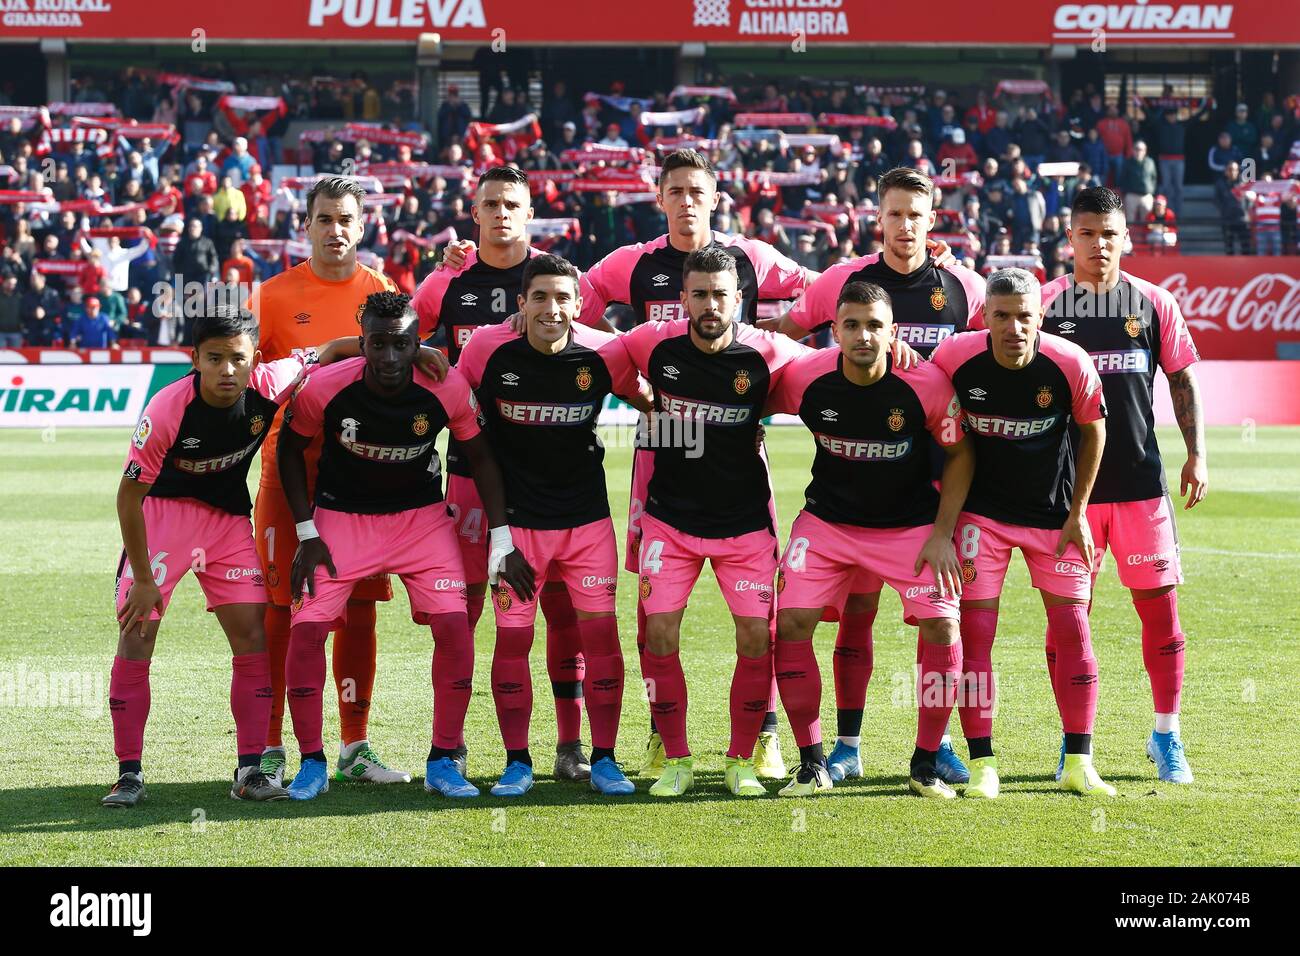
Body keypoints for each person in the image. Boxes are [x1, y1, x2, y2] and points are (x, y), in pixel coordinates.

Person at [765, 166, 984, 785]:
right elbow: (776, 342)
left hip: (929, 488)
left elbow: (990, 356)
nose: (905, 225)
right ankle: (841, 747)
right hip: (840, 502)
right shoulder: (842, 283)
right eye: (894, 214)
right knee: (853, 613)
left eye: (916, 215)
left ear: (932, 218)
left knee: (943, 622)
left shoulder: (963, 287)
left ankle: (931, 751)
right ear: (877, 217)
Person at [103, 307, 368, 807]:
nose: (228, 370)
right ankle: (129, 774)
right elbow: (128, 498)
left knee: (252, 636)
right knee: (138, 634)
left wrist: (417, 349)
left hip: (225, 524)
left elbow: (332, 348)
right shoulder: (166, 409)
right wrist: (142, 577)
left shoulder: (271, 381)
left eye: (237, 359)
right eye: (215, 358)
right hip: (162, 519)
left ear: (256, 360)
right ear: (195, 360)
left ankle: (250, 771)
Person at [277, 291, 532, 800]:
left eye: (401, 345)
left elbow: (481, 457)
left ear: (419, 342)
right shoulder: (325, 387)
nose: (390, 358)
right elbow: (289, 448)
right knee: (305, 633)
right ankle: (311, 762)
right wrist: (306, 533)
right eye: (377, 344)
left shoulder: (445, 386)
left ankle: (443, 759)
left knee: (455, 629)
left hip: (421, 523)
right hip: (341, 522)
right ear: (361, 340)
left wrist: (501, 539)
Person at [412, 167, 597, 780]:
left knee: (563, 615)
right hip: (471, 474)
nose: (500, 214)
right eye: (489, 203)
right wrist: (438, 283)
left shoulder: (556, 277)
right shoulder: (452, 278)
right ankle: (452, 745)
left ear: (529, 211)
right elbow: (400, 336)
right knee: (463, 614)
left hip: (554, 484)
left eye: (511, 204)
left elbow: (592, 346)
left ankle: (569, 745)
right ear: (474, 210)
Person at [614, 247, 810, 797]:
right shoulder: (651, 343)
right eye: (698, 294)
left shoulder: (769, 351)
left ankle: (741, 758)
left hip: (745, 525)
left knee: (754, 636)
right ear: (682, 299)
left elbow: (836, 359)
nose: (709, 304)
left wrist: (895, 348)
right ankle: (674, 757)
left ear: (738, 299)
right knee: (657, 632)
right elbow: (595, 357)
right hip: (670, 520)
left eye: (720, 294)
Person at [457, 254, 654, 797]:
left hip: (587, 525)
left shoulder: (603, 352)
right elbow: (457, 413)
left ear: (578, 305)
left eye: (563, 298)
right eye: (539, 297)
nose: (552, 308)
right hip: (518, 530)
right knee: (512, 641)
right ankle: (517, 762)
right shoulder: (486, 351)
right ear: (520, 303)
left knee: (599, 638)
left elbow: (651, 402)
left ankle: (604, 758)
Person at [247, 177, 408, 790]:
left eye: (346, 219)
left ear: (362, 225)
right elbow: (241, 380)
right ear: (305, 225)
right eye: (324, 219)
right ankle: (267, 747)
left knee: (360, 610)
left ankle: (354, 745)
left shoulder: (383, 292)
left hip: (363, 477)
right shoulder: (272, 296)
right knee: (281, 612)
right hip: (288, 479)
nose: (335, 230)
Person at [1040, 186, 1204, 784]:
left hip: (1140, 486)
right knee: (1067, 621)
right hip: (1065, 497)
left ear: (1127, 237)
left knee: (1161, 615)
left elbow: (1183, 381)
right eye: (1087, 233)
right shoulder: (1046, 304)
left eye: (1110, 233)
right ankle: (1074, 745)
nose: (1099, 243)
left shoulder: (1154, 303)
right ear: (1071, 238)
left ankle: (1166, 736)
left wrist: (1197, 456)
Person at [931, 268, 1115, 798]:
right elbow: (922, 397)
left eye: (1025, 316)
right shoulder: (954, 358)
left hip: (1053, 518)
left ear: (1041, 317)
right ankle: (983, 763)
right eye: (1003, 316)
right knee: (977, 638)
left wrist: (1078, 511)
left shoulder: (1069, 363)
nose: (1014, 327)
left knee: (1073, 629)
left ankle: (1080, 759)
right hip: (981, 517)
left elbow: (1093, 431)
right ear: (984, 317)